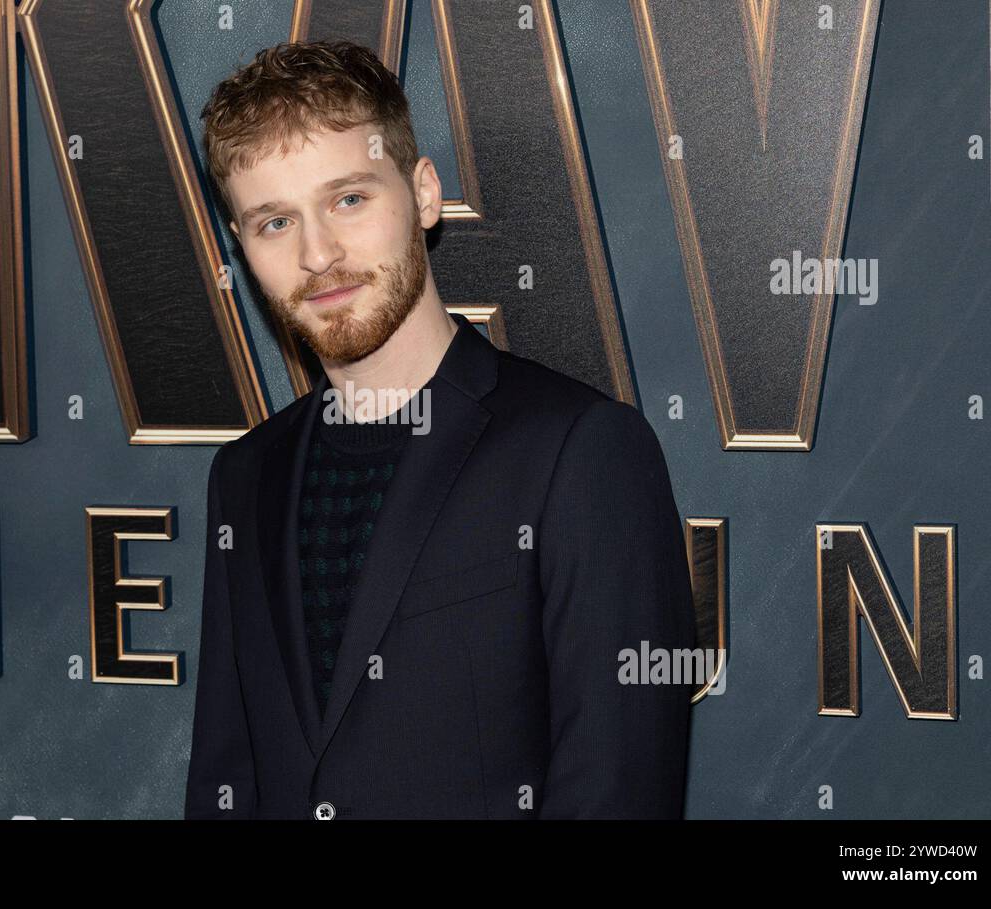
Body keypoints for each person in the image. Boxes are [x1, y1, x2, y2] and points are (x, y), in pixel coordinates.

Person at [184, 39, 695, 819]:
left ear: (424, 194)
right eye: (275, 220)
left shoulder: (581, 452)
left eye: (349, 198)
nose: (318, 254)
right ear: (241, 246)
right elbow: (227, 780)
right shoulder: (245, 476)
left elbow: (618, 794)